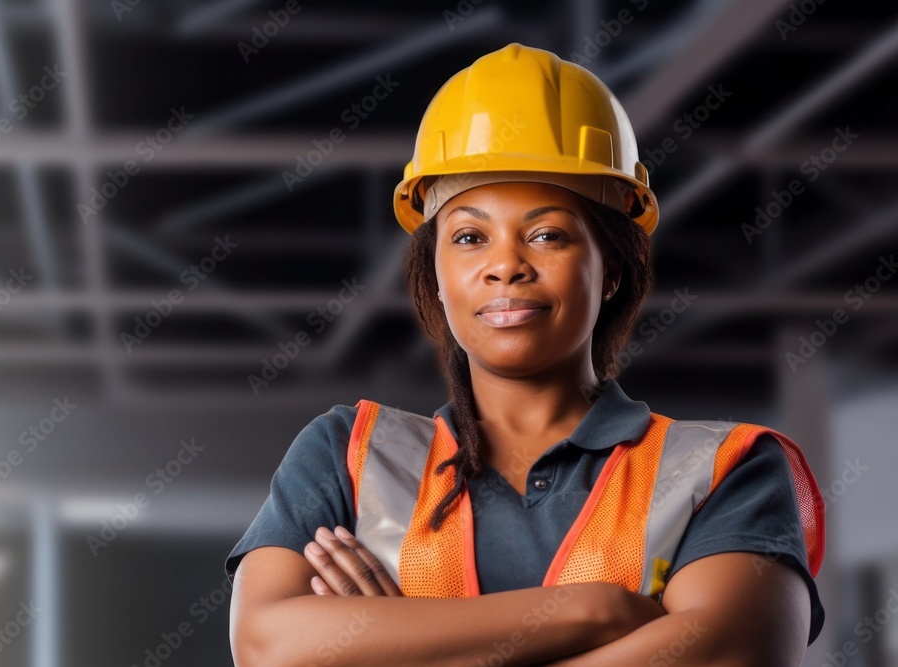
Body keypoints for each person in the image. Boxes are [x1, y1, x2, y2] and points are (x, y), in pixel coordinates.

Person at [226, 43, 825, 667]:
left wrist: (395, 638)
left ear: (611, 266)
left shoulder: (728, 470)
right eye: (468, 237)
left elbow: (731, 653)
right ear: (436, 272)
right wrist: (595, 611)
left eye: (547, 234)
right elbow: (267, 646)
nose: (506, 265)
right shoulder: (344, 456)